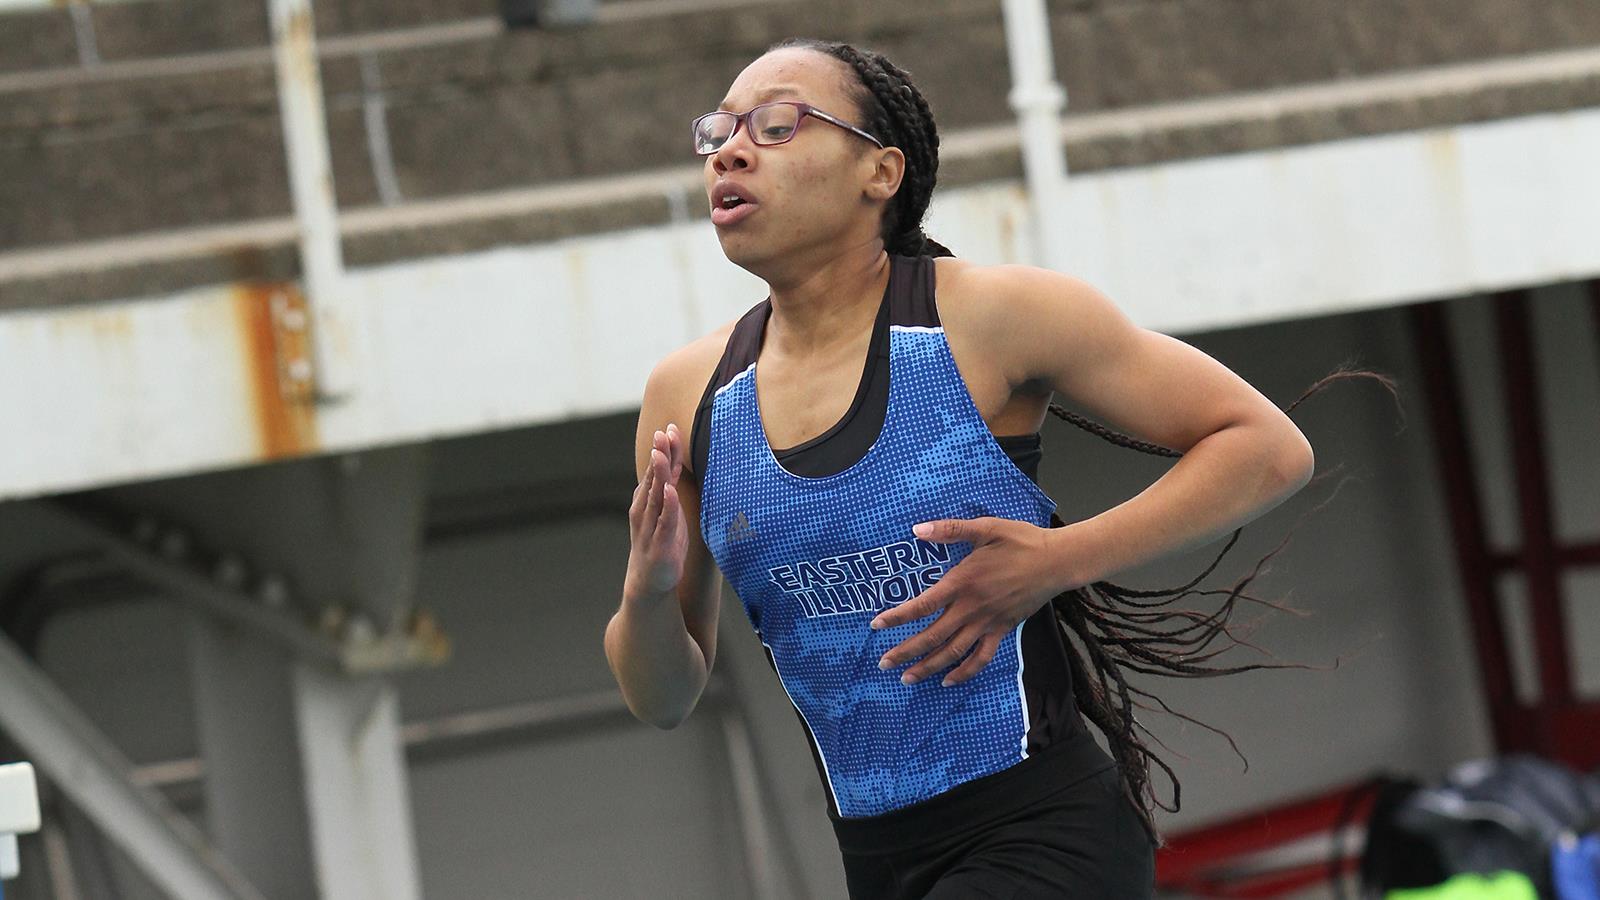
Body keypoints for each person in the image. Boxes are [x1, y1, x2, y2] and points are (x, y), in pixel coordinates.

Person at [603, 37, 1317, 899]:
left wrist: (1059, 561)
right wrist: (647, 593)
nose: (732, 148)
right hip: (877, 862)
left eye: (779, 124)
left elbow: (1266, 446)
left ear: (881, 172)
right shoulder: (691, 392)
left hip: (1045, 833)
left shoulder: (990, 318)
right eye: (719, 131)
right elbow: (664, 697)